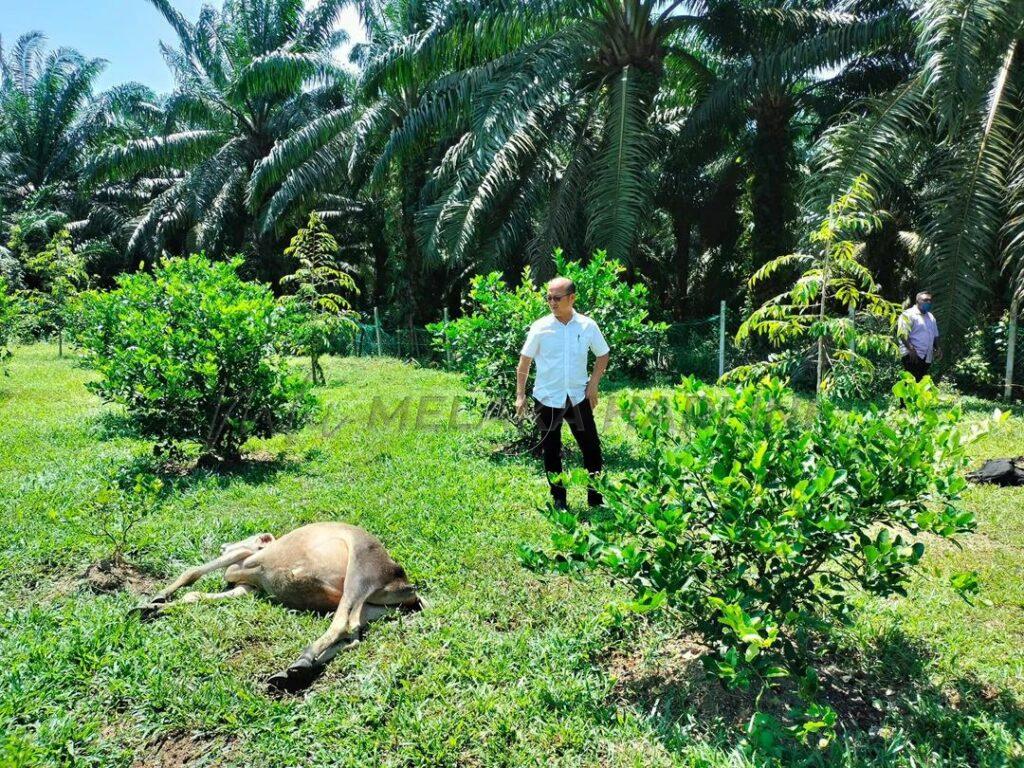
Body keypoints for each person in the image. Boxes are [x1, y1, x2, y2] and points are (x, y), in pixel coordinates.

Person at [516, 277, 610, 509]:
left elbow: (603, 354)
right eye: (548, 297)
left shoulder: (588, 326)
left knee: (591, 448)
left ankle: (595, 497)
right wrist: (520, 395)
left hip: (578, 397)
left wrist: (594, 383)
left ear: (572, 298)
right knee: (551, 450)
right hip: (547, 398)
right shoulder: (540, 327)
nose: (552, 302)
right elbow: (524, 362)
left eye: (557, 298)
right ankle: (559, 498)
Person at [898, 291, 940, 381]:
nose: (928, 302)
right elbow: (902, 333)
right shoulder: (908, 314)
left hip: (926, 355)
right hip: (912, 355)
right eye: (925, 300)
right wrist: (911, 349)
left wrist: (937, 348)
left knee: (921, 383)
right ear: (917, 301)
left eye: (930, 300)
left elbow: (935, 335)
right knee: (910, 383)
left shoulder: (931, 317)